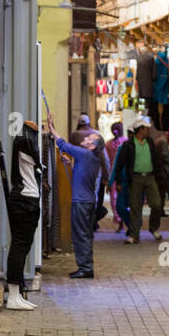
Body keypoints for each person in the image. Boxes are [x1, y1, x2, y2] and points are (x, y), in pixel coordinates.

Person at [47, 115, 106, 279]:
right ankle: (87, 266)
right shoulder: (91, 159)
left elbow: (62, 144)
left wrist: (51, 127)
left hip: (81, 202)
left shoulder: (85, 155)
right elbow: (82, 172)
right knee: (85, 234)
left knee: (80, 235)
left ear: (92, 146)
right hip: (87, 201)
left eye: (90, 138)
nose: (86, 137)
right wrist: (69, 164)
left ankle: (85, 268)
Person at [4, 118, 42, 310]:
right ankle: (12, 295)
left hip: (29, 199)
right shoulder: (24, 140)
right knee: (19, 246)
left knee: (23, 246)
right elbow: (37, 159)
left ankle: (17, 293)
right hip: (24, 200)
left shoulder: (25, 140)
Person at [118, 115, 166, 243]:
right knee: (135, 207)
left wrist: (159, 175)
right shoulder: (128, 145)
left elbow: (156, 159)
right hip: (135, 178)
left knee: (156, 204)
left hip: (150, 177)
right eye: (146, 129)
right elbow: (120, 163)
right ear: (140, 130)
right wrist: (118, 182)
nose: (148, 131)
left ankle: (153, 228)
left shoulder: (150, 142)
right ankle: (134, 235)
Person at [105, 120, 127, 229]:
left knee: (118, 198)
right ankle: (120, 219)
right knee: (116, 199)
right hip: (117, 174)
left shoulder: (124, 142)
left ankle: (121, 219)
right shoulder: (109, 144)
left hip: (121, 175)